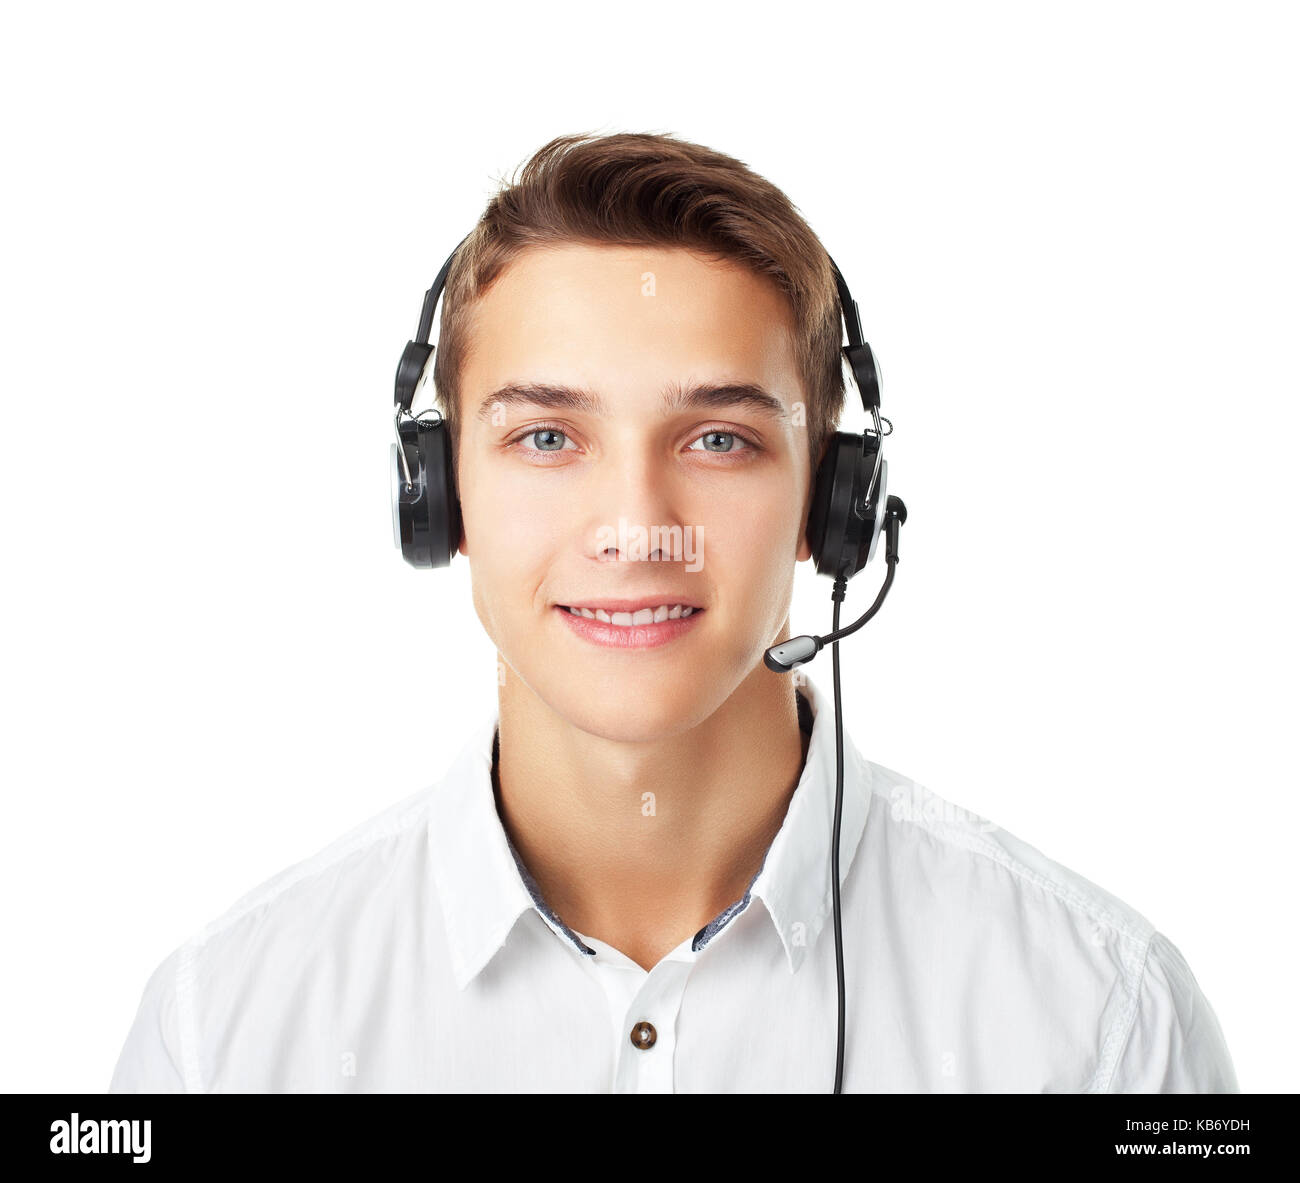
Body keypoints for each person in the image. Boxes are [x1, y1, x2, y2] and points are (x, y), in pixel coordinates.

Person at [109, 131, 1238, 1093]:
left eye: (718, 439)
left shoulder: (1103, 1020)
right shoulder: (223, 1034)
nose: (637, 526)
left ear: (829, 504)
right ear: (438, 493)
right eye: (546, 437)